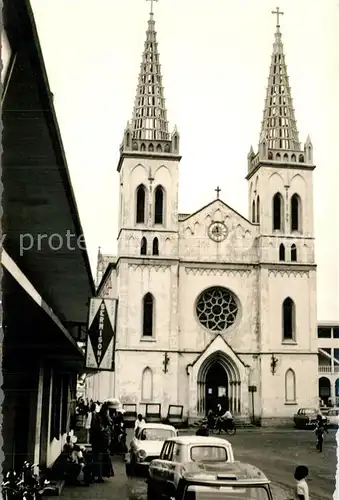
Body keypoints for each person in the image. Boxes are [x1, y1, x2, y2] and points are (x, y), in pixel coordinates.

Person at [90, 402, 114, 482]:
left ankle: (94, 475)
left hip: (97, 440)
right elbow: (107, 426)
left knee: (96, 458)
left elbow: (94, 428)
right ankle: (99, 476)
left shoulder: (97, 415)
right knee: (100, 458)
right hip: (102, 440)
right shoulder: (104, 417)